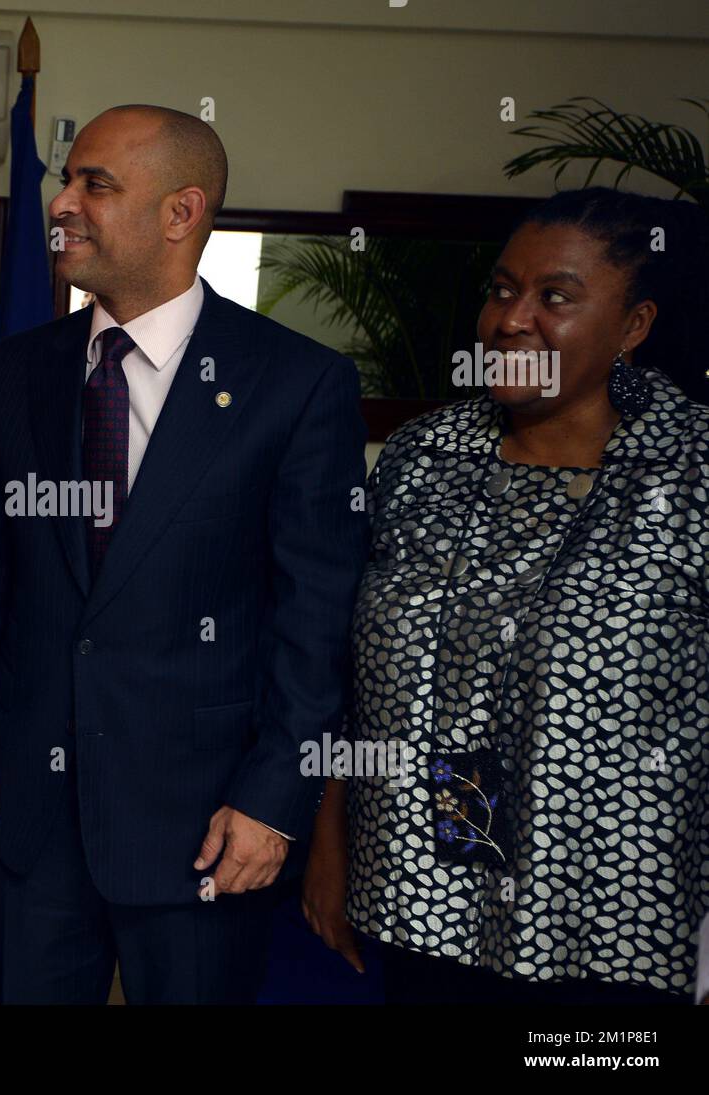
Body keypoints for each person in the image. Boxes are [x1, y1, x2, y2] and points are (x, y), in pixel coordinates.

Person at [0, 104, 368, 1004]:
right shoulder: (20, 370)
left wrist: (277, 801)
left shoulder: (298, 384)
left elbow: (315, 623)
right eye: (67, 178)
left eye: (97, 183)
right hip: (31, 821)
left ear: (182, 212)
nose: (63, 202)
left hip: (208, 827)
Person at [303, 187, 709, 1004]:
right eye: (501, 289)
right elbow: (351, 675)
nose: (510, 320)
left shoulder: (692, 469)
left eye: (554, 297)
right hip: (422, 894)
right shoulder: (423, 456)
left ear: (633, 327)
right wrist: (329, 839)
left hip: (616, 919)